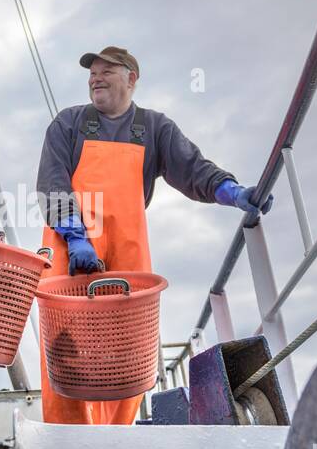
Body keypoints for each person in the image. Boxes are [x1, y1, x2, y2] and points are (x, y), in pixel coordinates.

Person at [36, 45, 269, 425]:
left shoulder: (153, 128)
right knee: (63, 346)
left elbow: (193, 168)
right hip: (69, 247)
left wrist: (233, 192)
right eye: (92, 72)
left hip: (126, 250)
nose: (95, 77)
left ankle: (116, 438)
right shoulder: (69, 123)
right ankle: (67, 442)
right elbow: (52, 183)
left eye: (107, 70)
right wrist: (76, 236)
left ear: (132, 78)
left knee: (128, 345)